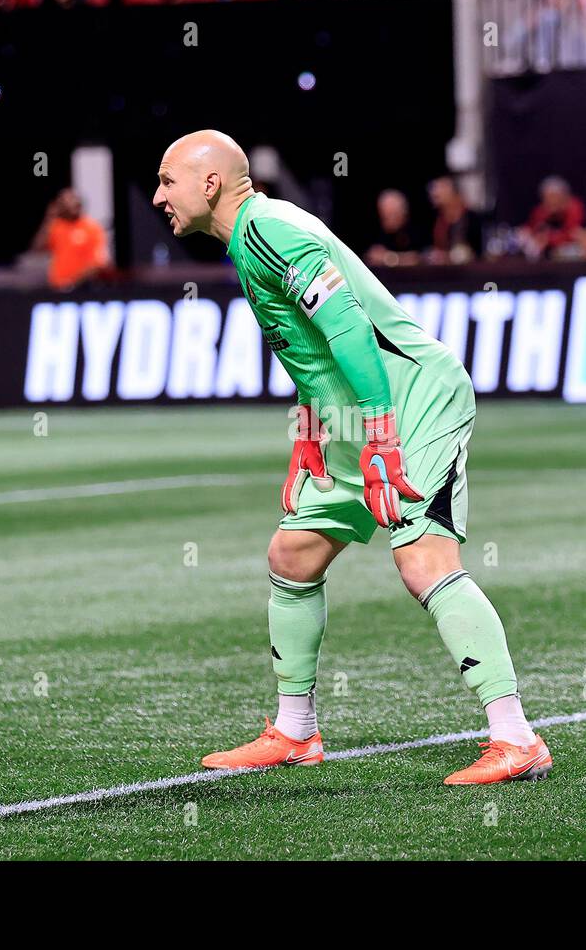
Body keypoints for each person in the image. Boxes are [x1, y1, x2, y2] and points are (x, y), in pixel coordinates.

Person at [152, 130, 549, 786]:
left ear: (210, 183)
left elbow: (348, 331)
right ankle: (296, 732)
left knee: (422, 562)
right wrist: (311, 427)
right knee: (293, 555)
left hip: (409, 400)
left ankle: (517, 739)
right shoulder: (251, 238)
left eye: (168, 181)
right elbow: (306, 343)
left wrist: (381, 439)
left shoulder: (270, 234)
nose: (161, 195)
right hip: (351, 410)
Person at [33, 188, 110, 289]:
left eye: (73, 201)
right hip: (57, 286)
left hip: (83, 288)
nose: (71, 205)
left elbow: (99, 262)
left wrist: (73, 283)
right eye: (65, 202)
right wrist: (49, 218)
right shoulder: (56, 226)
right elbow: (38, 248)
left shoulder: (91, 228)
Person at [518, 175, 584, 259]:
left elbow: (573, 233)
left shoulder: (574, 207)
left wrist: (549, 239)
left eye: (554, 197)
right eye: (546, 197)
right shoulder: (542, 210)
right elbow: (531, 228)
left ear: (564, 196)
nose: (550, 201)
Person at [426, 175, 483, 264]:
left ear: (452, 192)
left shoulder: (471, 217)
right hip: (439, 271)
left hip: (468, 270)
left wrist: (454, 255)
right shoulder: (434, 218)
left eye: (440, 189)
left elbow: (479, 251)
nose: (434, 193)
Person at [365, 189, 421, 267]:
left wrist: (388, 258)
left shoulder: (415, 230)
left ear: (403, 213)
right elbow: (372, 256)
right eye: (385, 216)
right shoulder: (381, 232)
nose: (389, 220)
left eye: (393, 214)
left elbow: (417, 258)